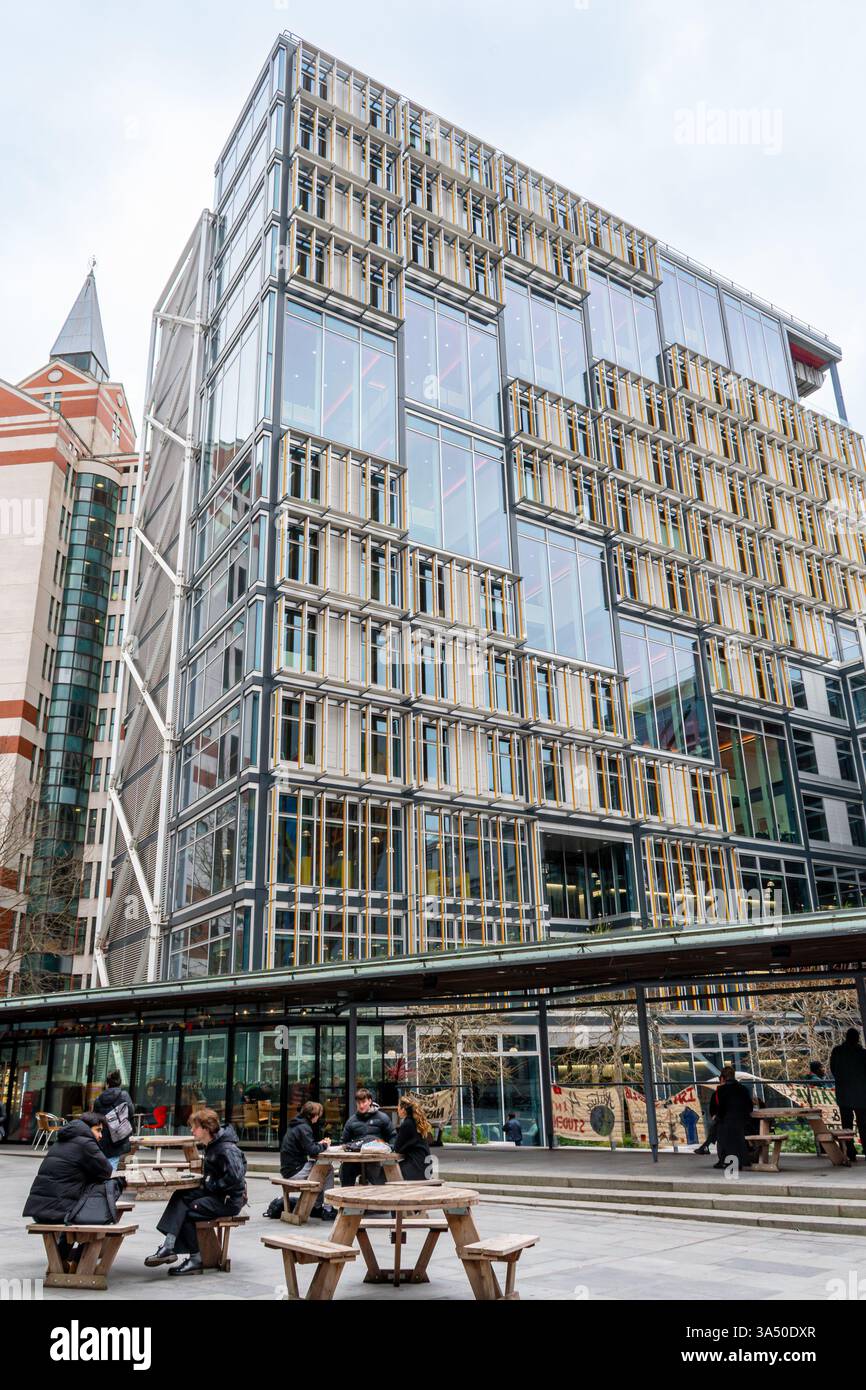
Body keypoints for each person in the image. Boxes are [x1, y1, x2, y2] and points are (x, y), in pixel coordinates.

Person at [145, 1109, 247, 1276]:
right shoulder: (214, 1144)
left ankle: (195, 1258)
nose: (192, 1130)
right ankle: (168, 1247)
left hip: (228, 1201)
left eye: (194, 1127)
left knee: (189, 1210)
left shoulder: (226, 1148)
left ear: (206, 1128)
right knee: (180, 1194)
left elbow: (236, 1178)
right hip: (216, 1194)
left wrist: (212, 1185)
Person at [22, 1113, 120, 1267]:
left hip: (39, 1209)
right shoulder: (86, 1142)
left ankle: (61, 1261)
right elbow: (106, 1171)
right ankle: (78, 1262)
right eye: (98, 1130)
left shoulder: (63, 1139)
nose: (100, 1136)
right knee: (96, 1214)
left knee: (80, 1209)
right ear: (87, 1129)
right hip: (58, 1212)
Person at [275, 1101, 335, 1220]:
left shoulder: (296, 1125)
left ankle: (317, 1207)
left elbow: (307, 1145)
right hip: (295, 1170)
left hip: (288, 1169)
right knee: (328, 1169)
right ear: (313, 1115)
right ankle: (327, 1209)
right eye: (318, 1115)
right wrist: (325, 1145)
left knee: (322, 1169)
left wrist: (318, 1144)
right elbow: (312, 1150)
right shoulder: (304, 1127)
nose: (318, 1118)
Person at [340, 1088, 395, 1187]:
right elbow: (344, 1141)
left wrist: (389, 1149)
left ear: (370, 1101)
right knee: (345, 1171)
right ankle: (346, 1199)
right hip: (355, 1159)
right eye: (358, 1102)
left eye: (364, 1102)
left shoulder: (382, 1118)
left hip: (375, 1159)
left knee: (378, 1182)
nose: (361, 1105)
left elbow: (393, 1136)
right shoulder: (351, 1121)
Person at [830, 1028, 866, 1161]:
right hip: (862, 1095)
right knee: (863, 1124)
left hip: (844, 1094)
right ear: (857, 1038)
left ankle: (850, 1152)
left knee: (846, 1125)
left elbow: (833, 1069)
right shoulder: (862, 1053)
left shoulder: (837, 1051)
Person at [713, 1065, 753, 1171]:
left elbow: (721, 1108)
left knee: (719, 1130)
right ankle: (741, 1160)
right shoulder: (743, 1088)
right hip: (742, 1121)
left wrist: (718, 1117)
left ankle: (725, 1160)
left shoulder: (721, 1090)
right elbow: (749, 1106)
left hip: (727, 1121)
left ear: (723, 1077)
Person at [93, 1070, 134, 1170]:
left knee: (104, 1162)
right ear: (120, 1083)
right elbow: (131, 1112)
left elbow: (94, 1118)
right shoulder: (124, 1095)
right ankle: (108, 1181)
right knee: (112, 1164)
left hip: (103, 1136)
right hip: (118, 1135)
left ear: (107, 1084)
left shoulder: (98, 1099)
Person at [393, 1096, 432, 1180]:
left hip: (416, 1167)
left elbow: (397, 1148)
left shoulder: (407, 1124)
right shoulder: (416, 1122)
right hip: (426, 1167)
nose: (397, 1109)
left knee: (383, 1174)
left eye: (398, 1106)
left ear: (403, 1109)